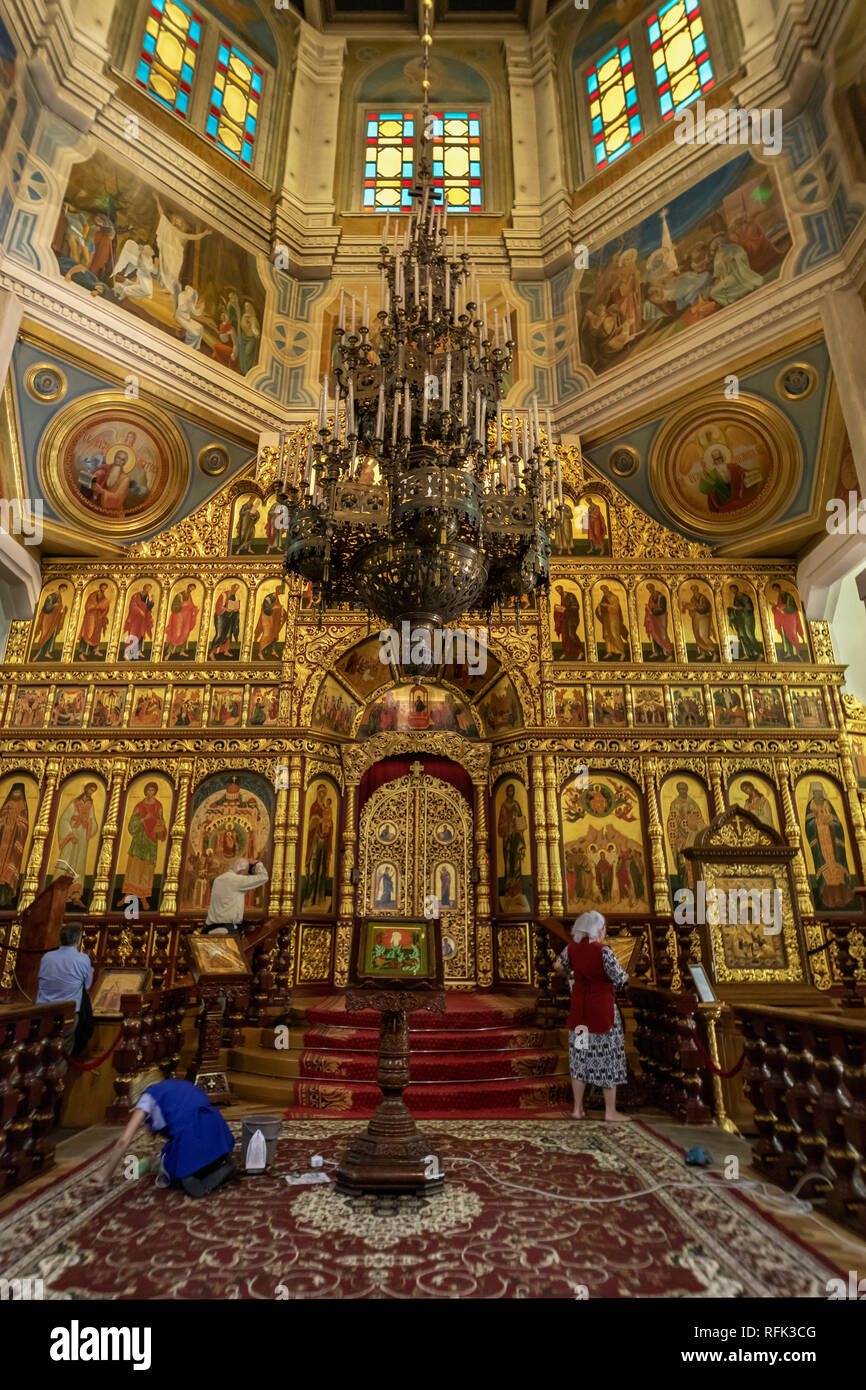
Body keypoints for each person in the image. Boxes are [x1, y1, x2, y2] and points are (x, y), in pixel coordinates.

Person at [99, 1078, 235, 1198]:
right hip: (217, 1131)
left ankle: (201, 1179)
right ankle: (221, 1164)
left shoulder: (147, 1098)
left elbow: (123, 1141)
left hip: (191, 1137)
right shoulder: (176, 1086)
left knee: (176, 1172)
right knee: (182, 1154)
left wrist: (105, 1174)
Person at [554, 911, 630, 1122]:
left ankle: (578, 1109)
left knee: (579, 1058)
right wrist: (626, 977)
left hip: (580, 1013)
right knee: (608, 1058)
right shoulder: (603, 951)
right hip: (602, 1012)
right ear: (599, 929)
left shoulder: (572, 949)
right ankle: (610, 1111)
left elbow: (558, 966)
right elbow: (620, 977)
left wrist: (571, 975)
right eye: (604, 928)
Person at [36, 923, 94, 1053]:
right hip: (67, 1015)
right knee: (62, 1052)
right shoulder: (82, 959)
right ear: (78, 940)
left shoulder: (47, 957)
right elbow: (88, 985)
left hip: (43, 1011)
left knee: (43, 1049)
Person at [203, 857, 269, 935]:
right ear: (241, 871)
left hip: (210, 929)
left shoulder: (218, 879)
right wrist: (258, 864)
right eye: (247, 872)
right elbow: (264, 877)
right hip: (225, 931)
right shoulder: (237, 880)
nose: (247, 875)